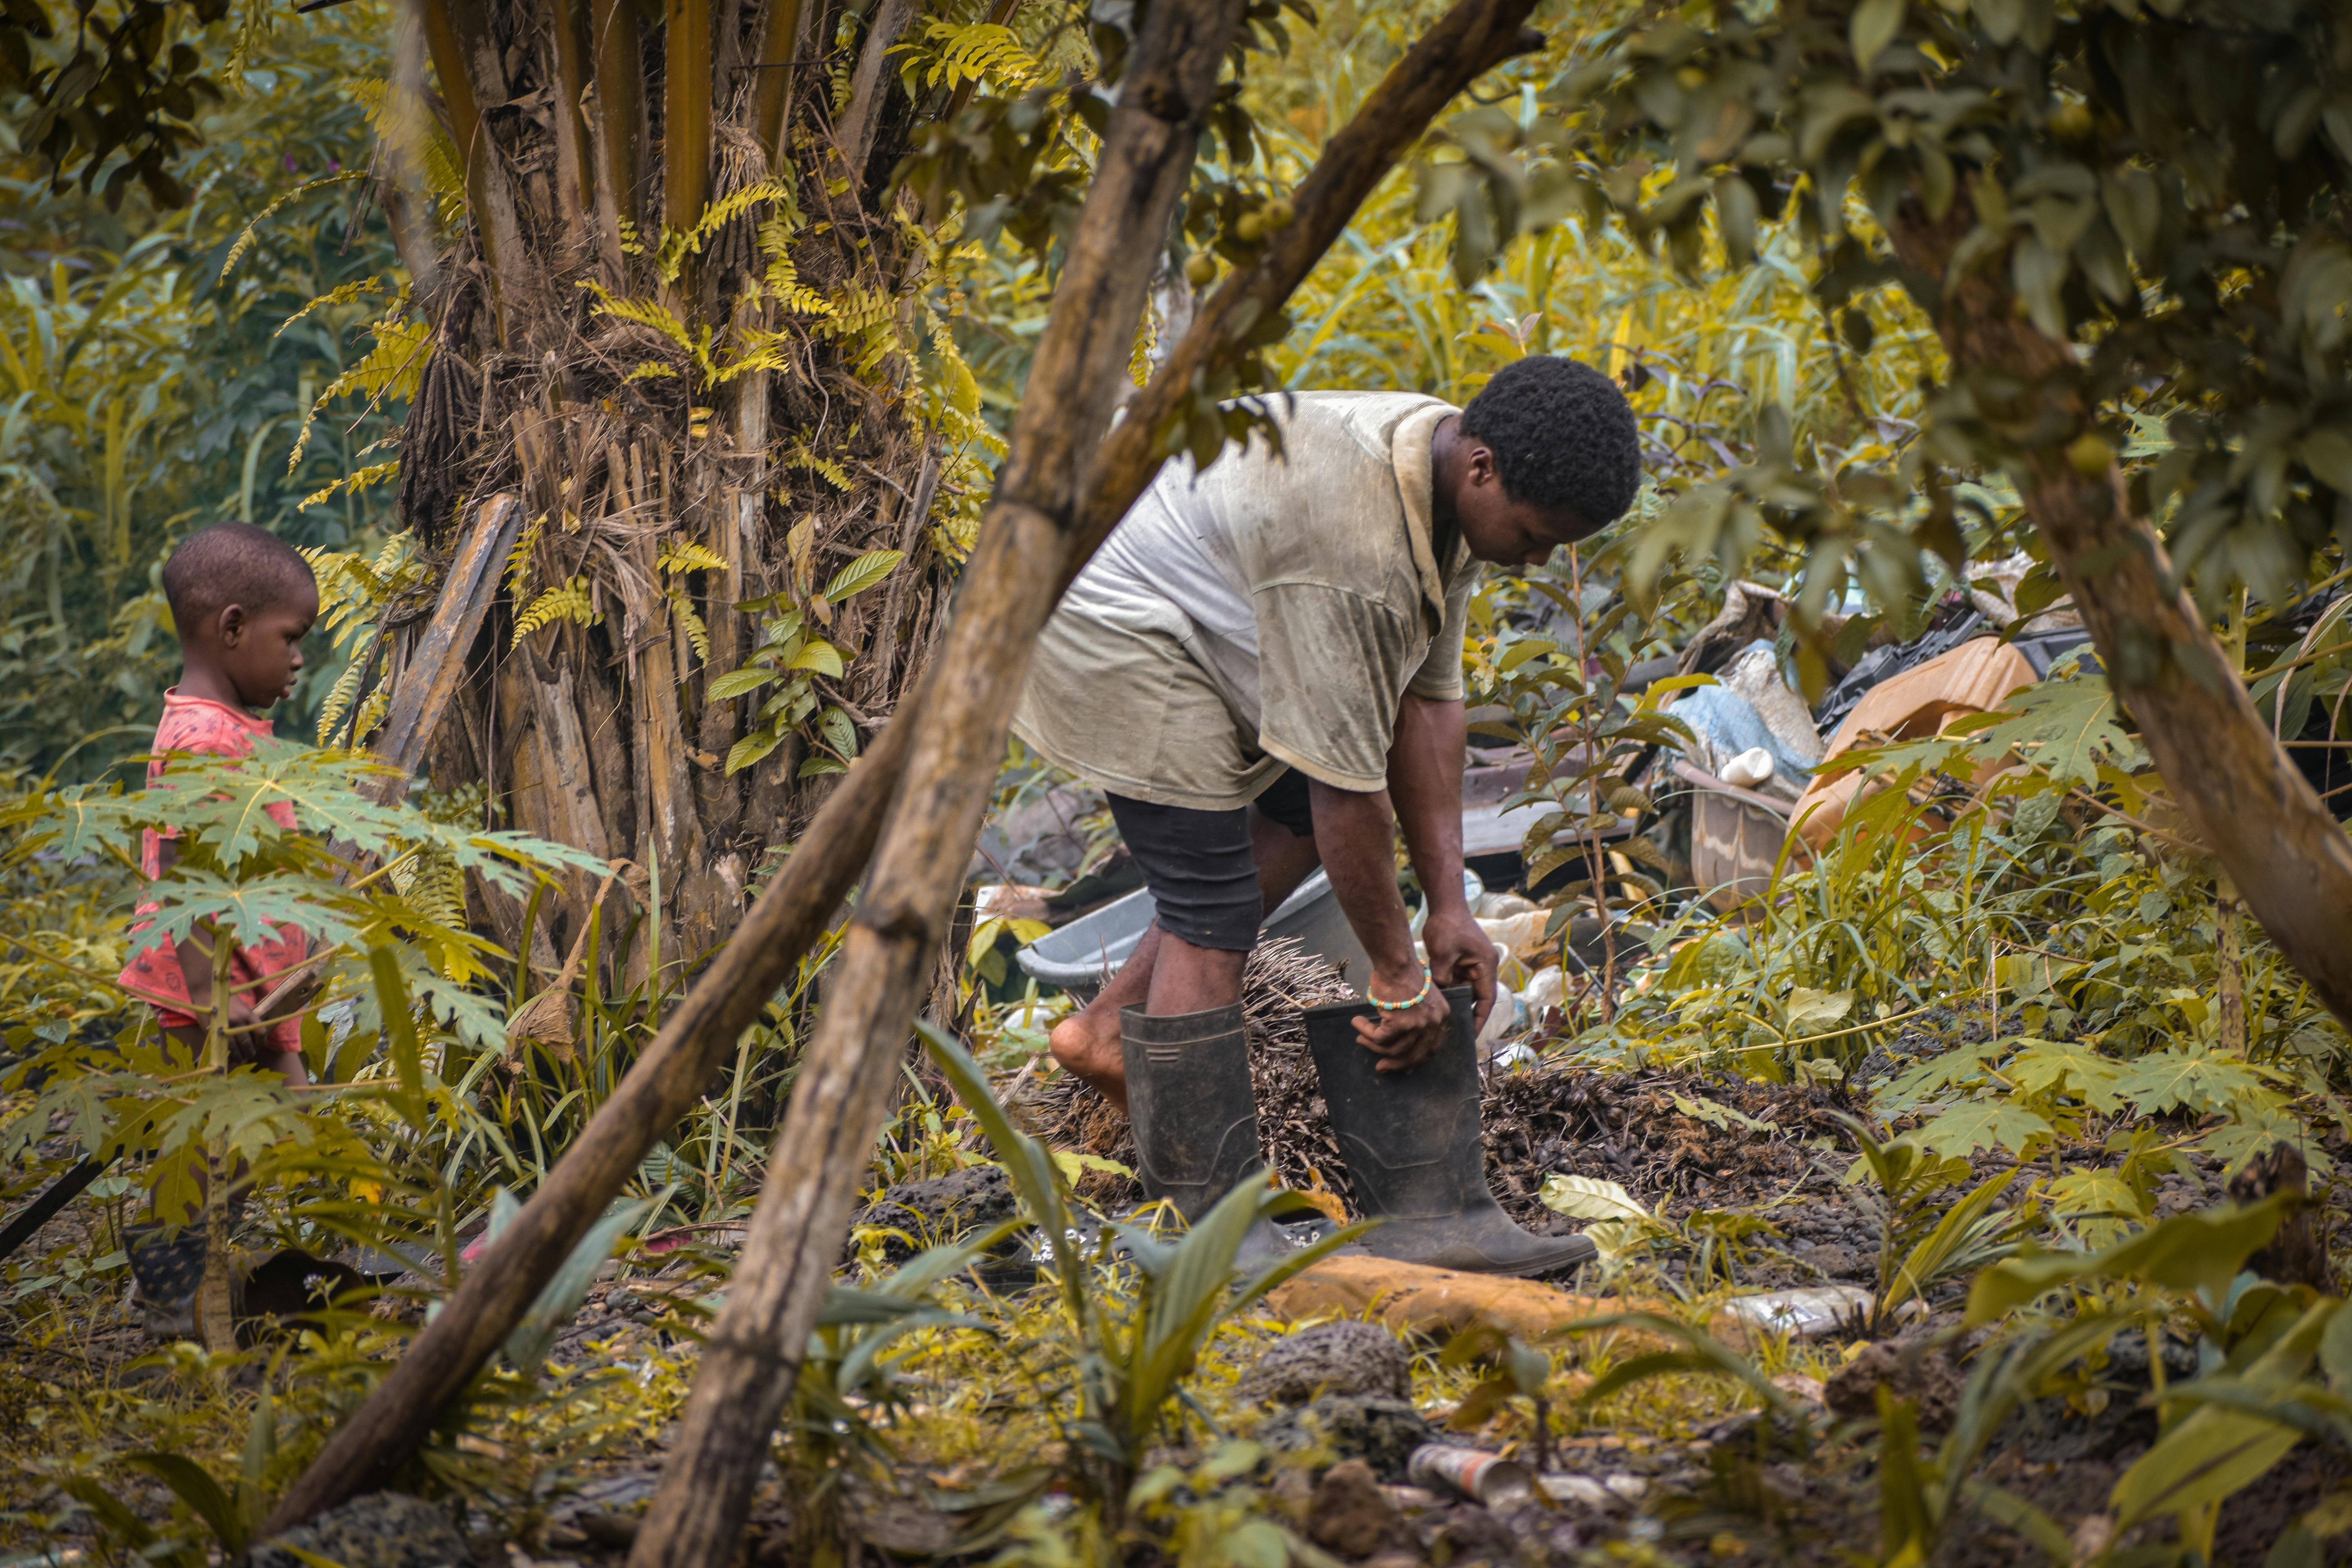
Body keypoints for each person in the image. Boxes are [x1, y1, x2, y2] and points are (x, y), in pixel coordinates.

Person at [1009, 357, 1642, 1276]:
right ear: (1483, 469)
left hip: (1201, 597)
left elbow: (1427, 706)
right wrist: (1395, 971)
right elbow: (1350, 791)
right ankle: (1220, 1238)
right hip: (1103, 616)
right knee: (1212, 908)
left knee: (1287, 826)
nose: (1540, 558)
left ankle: (1111, 1035)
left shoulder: (1442, 468)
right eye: (1538, 535)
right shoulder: (1357, 550)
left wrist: (1450, 910)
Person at [115, 523, 320, 1333]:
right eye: (291, 638)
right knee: (208, 1151)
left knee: (276, 1139)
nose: (300, 658)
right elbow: (187, 869)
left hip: (257, 992)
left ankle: (204, 1275)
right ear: (232, 628)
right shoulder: (203, 735)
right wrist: (210, 997)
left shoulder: (227, 725)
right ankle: (175, 1290)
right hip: (214, 995)